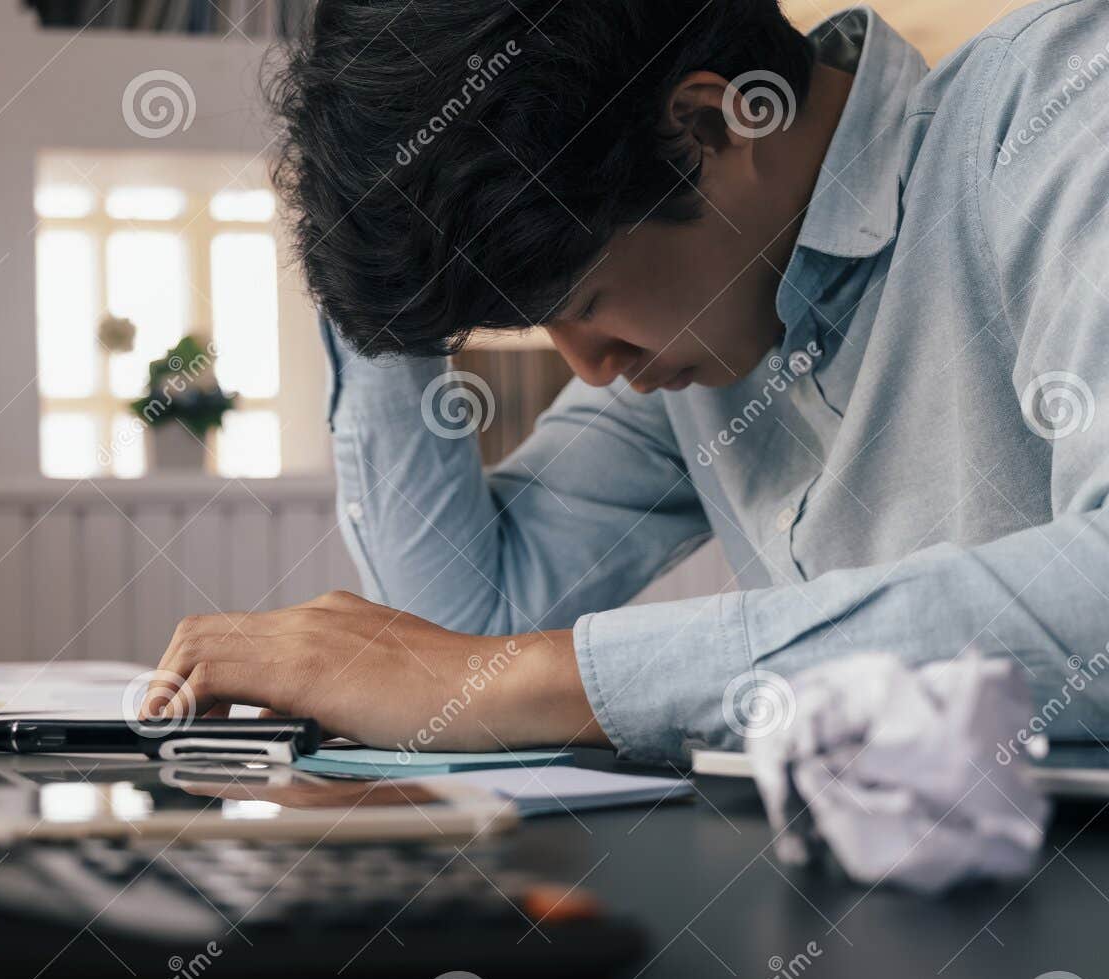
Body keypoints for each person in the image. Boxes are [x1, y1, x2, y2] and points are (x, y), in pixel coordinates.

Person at [148, 0, 1109, 761]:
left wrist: (543, 681)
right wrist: (376, 255)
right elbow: (455, 631)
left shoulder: (1060, 108)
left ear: (706, 125)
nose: (592, 367)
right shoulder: (717, 324)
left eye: (585, 298)